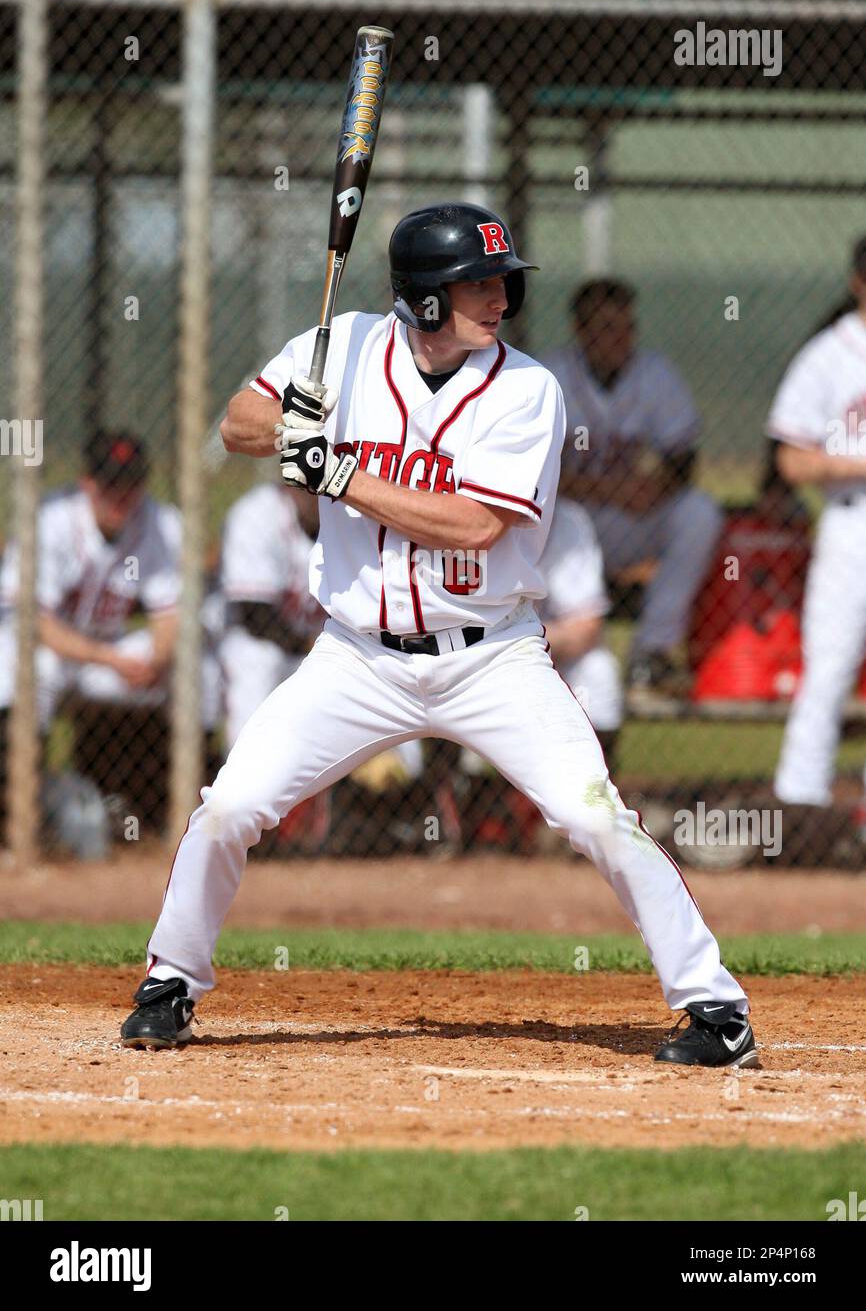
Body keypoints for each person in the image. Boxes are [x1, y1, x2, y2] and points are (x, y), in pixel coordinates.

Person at [120, 202, 756, 1070]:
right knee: (231, 805)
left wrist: (336, 465)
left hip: (493, 656)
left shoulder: (528, 388)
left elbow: (471, 526)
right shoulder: (340, 346)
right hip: (357, 659)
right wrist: (290, 425)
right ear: (422, 300)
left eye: (502, 282)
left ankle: (715, 1006)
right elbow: (237, 424)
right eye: (478, 285)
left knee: (595, 814)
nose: (500, 299)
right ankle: (171, 980)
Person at [0, 432, 220, 838]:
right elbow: (35, 624)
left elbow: (170, 614)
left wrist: (157, 657)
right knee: (35, 667)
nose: (122, 495)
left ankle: (194, 815)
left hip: (105, 657)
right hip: (45, 650)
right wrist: (110, 659)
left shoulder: (159, 522)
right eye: (110, 484)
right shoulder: (52, 520)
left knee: (197, 665)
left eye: (131, 483)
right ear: (88, 482)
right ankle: (18, 809)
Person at [542, 279, 723, 694]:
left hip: (624, 524)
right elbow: (528, 476)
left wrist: (655, 488)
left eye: (627, 326)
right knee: (551, 515)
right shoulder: (548, 376)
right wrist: (608, 489)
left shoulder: (653, 372)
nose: (620, 337)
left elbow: (683, 457)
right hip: (563, 527)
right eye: (607, 327)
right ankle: (539, 643)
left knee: (697, 512)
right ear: (580, 330)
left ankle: (652, 653)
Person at [766, 235, 866, 808]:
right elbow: (790, 458)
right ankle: (800, 805)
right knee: (828, 667)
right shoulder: (829, 354)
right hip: (851, 522)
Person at [220, 484, 324, 748]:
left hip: (323, 653)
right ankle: (244, 772)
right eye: (309, 487)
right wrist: (311, 646)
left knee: (404, 761)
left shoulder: (356, 521)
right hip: (262, 645)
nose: (317, 497)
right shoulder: (258, 513)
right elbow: (255, 616)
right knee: (260, 661)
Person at [537, 495, 622, 769]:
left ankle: (595, 788)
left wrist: (524, 644)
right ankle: (473, 797)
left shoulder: (565, 518)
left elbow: (587, 626)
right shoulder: (467, 511)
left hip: (539, 647)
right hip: (477, 654)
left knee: (598, 670)